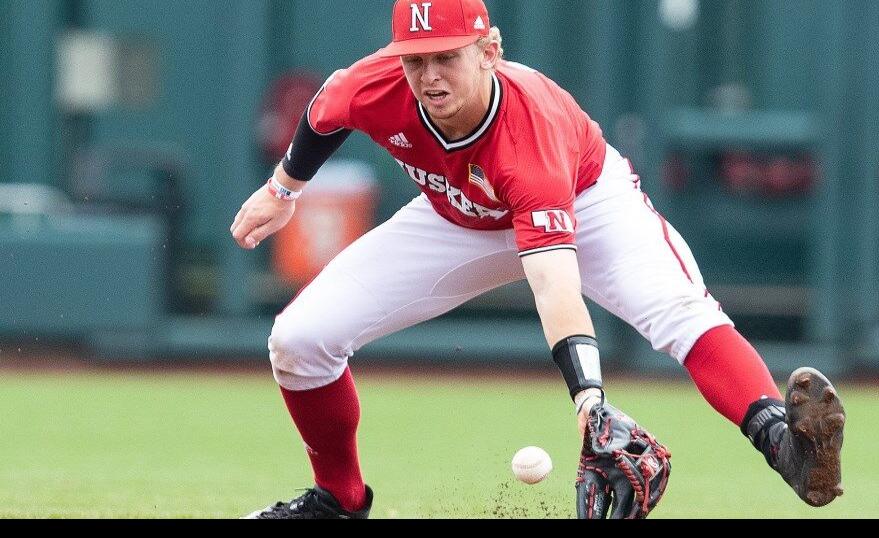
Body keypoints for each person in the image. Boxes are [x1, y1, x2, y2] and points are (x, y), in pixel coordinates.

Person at [231, 0, 845, 519]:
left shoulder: (528, 133)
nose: (430, 75)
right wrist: (282, 189)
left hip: (585, 198)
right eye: (416, 60)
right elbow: (324, 111)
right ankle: (339, 501)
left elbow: (552, 283)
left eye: (447, 56)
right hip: (458, 218)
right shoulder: (376, 83)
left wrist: (590, 402)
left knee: (678, 310)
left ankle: (783, 445)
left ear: (489, 49)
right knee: (299, 338)